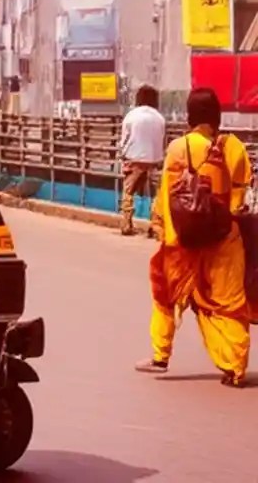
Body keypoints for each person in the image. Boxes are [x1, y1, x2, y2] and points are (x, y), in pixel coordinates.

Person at [136, 88, 251, 388]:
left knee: (164, 295)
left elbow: (166, 195)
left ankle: (160, 355)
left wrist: (160, 225)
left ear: (189, 116)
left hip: (182, 244)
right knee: (228, 304)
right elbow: (240, 199)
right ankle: (235, 366)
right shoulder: (234, 147)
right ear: (217, 116)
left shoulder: (179, 148)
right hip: (224, 240)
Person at [119, 85, 166, 237]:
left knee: (128, 192)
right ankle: (154, 226)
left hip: (134, 158)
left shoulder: (131, 116)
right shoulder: (160, 118)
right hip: (155, 159)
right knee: (156, 194)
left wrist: (122, 154)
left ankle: (126, 223)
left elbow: (124, 139)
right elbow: (162, 140)